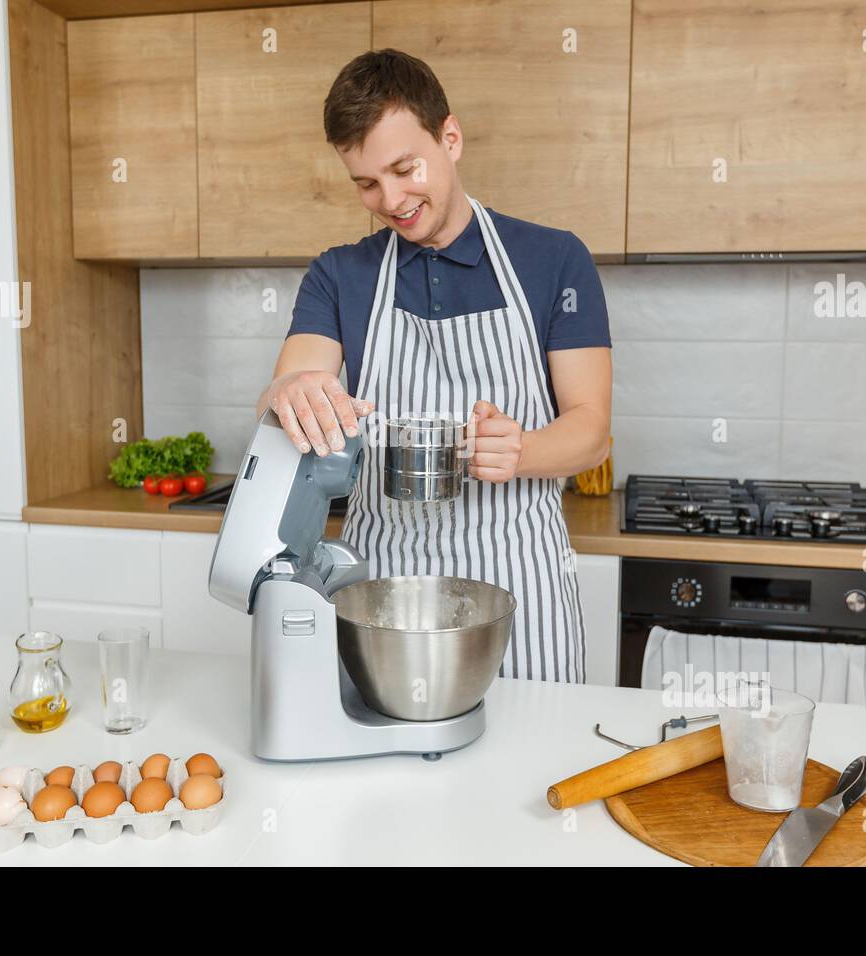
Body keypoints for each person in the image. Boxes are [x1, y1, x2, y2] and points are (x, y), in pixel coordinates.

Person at [255, 49, 612, 682]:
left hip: (520, 581)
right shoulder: (340, 275)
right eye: (366, 183)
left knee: (529, 768)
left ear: (450, 137)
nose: (390, 200)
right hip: (381, 588)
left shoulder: (554, 259)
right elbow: (288, 390)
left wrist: (520, 450)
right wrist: (290, 389)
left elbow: (591, 431)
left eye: (404, 168)